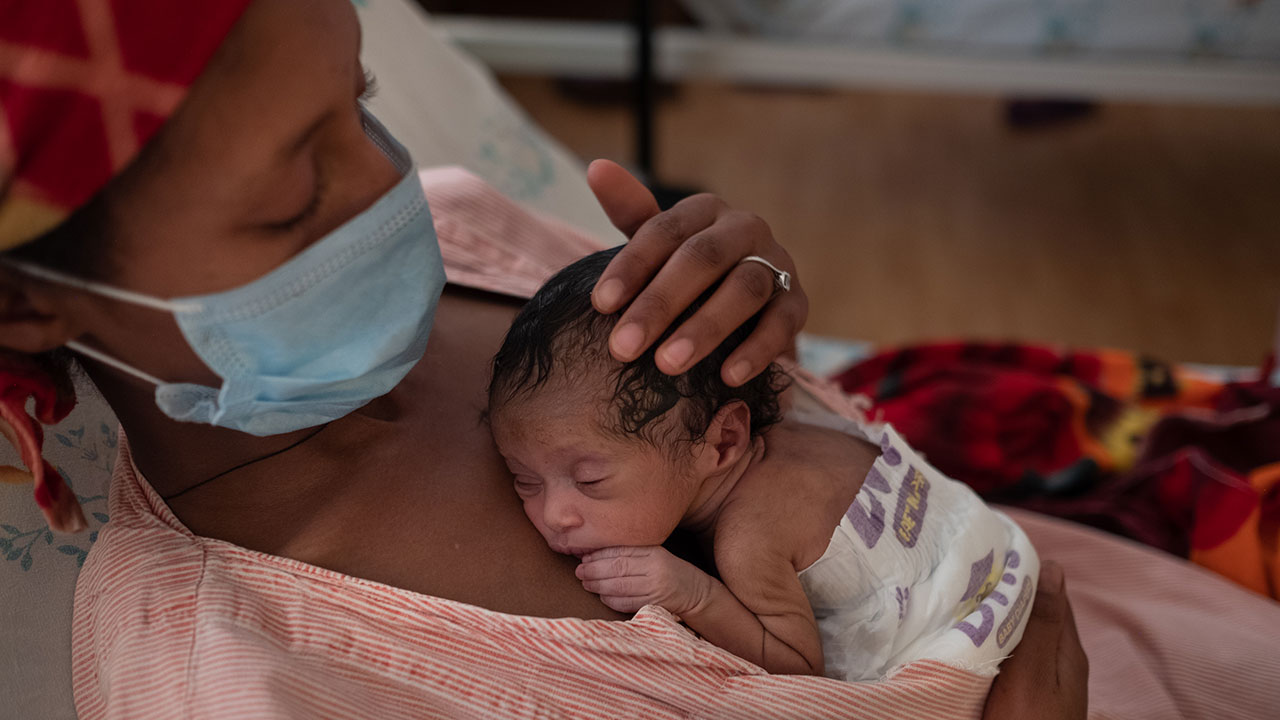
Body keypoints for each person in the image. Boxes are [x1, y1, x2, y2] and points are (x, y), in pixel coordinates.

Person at [0, 0, 1108, 716]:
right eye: (293, 194)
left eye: (361, 103)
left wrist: (759, 335)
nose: (392, 189)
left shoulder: (473, 241)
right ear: (25, 306)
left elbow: (809, 473)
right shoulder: (231, 680)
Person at [487, 247, 1038, 681]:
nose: (555, 513)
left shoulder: (748, 541)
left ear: (724, 441)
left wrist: (695, 594)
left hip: (972, 626)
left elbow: (801, 666)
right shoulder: (790, 425)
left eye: (589, 479)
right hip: (1001, 544)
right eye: (523, 479)